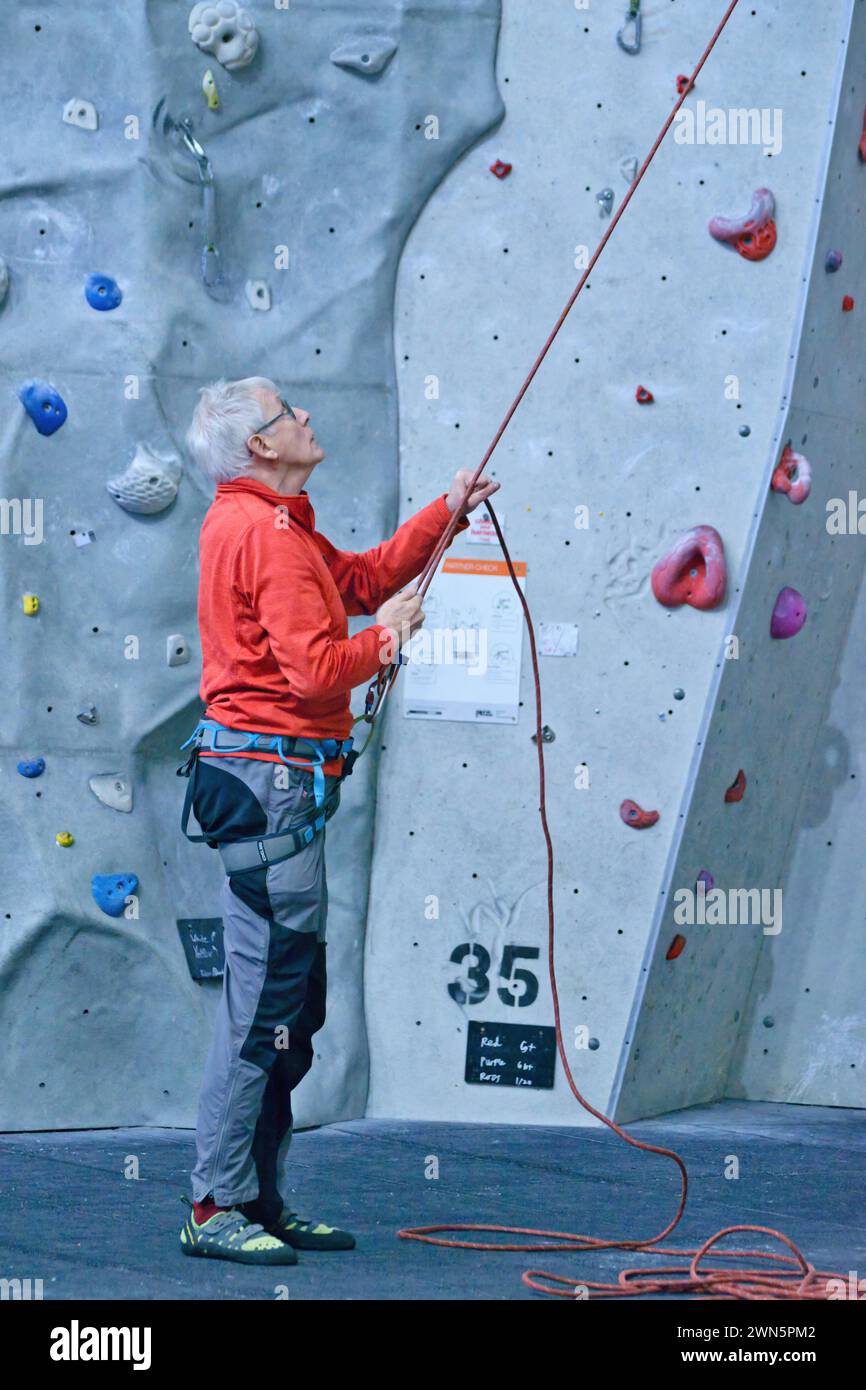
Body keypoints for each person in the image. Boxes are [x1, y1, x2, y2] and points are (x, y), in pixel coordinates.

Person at [177, 376, 499, 1264]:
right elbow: (321, 672)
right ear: (261, 448)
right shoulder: (265, 536)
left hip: (263, 784)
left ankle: (255, 1198)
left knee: (289, 1004)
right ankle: (214, 1204)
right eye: (291, 414)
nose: (308, 417)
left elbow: (356, 580)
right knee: (266, 1005)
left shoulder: (274, 526)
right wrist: (390, 636)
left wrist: (446, 512)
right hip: (268, 784)